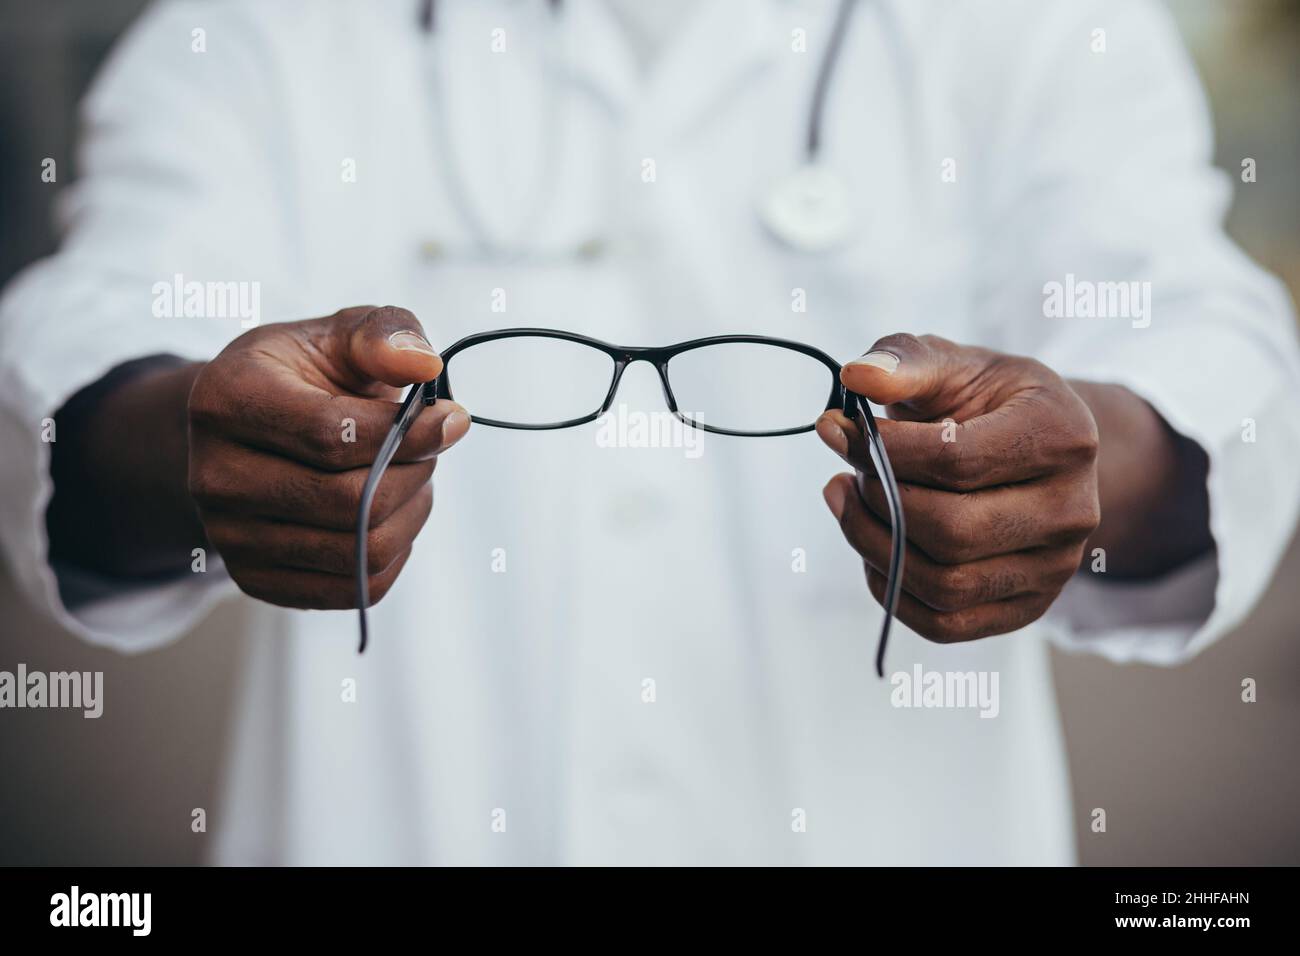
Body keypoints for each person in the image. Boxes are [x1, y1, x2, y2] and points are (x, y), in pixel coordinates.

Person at [0, 0, 1297, 865]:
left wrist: (1101, 455)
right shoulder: (263, 28)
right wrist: (180, 434)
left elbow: (1192, 325)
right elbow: (112, 315)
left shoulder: (1033, 26)